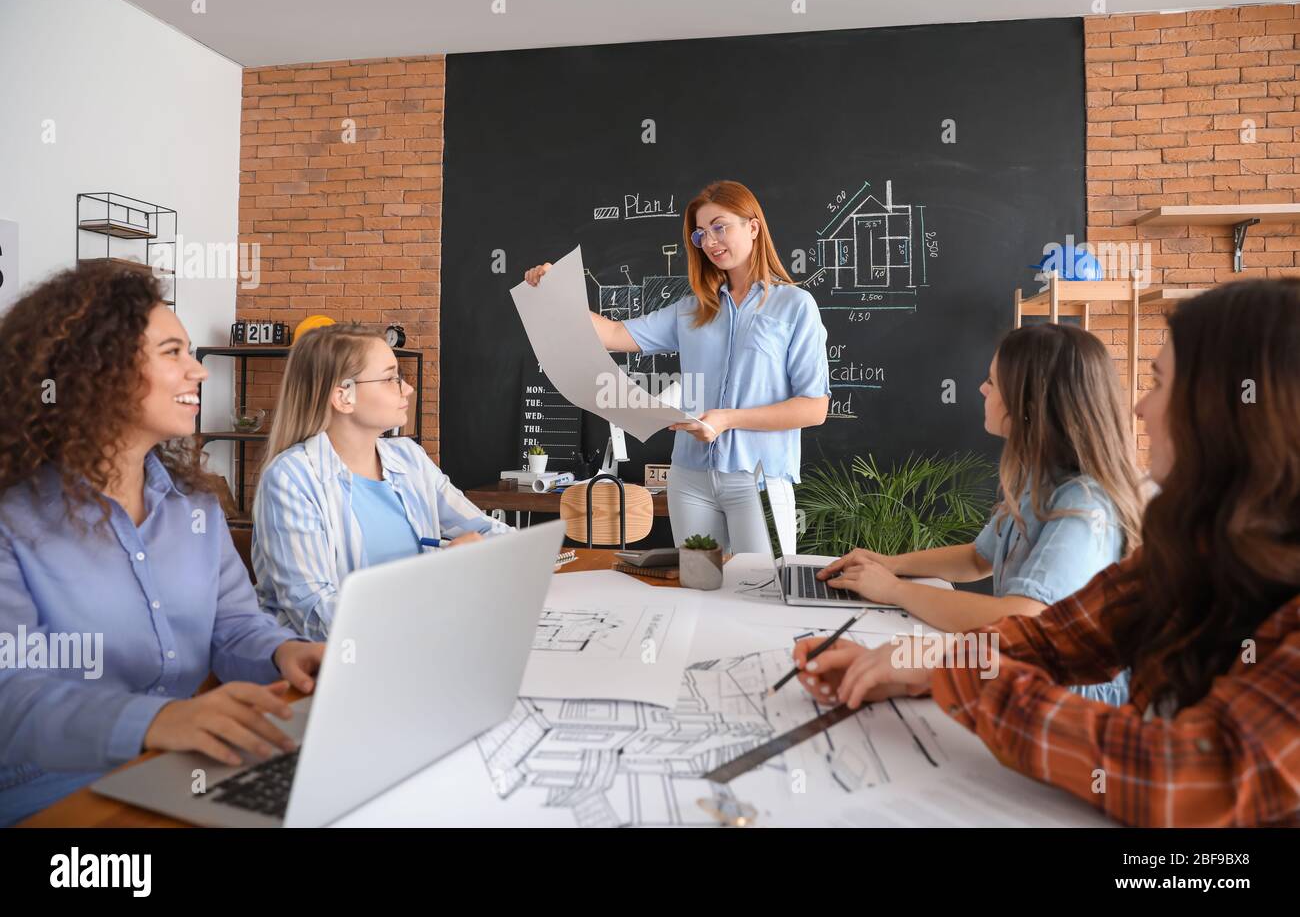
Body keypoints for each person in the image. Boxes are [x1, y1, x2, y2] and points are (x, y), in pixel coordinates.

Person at [791, 278, 1300, 826]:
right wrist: (919, 663)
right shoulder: (1192, 550)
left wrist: (949, 668)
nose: (1138, 406)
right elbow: (1055, 638)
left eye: (1158, 382)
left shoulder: (1086, 502)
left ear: (1235, 413)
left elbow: (1184, 777)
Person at [0, 263, 322, 826]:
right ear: (92, 370)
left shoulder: (192, 506)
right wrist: (156, 721)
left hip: (178, 769)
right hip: (49, 799)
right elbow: (11, 696)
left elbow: (235, 625)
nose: (198, 370)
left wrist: (284, 654)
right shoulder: (14, 519)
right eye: (172, 352)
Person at [816, 323, 1144, 704]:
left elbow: (1022, 620)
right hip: (1024, 671)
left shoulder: (1082, 505)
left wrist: (894, 590)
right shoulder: (1038, 477)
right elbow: (977, 559)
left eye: (992, 382)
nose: (982, 390)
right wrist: (891, 563)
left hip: (1074, 704)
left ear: (1028, 408)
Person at [524, 180, 829, 554]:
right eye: (701, 234)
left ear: (753, 226)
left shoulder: (795, 307)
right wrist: (555, 293)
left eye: (720, 226)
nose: (711, 241)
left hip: (758, 479)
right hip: (690, 479)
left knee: (759, 594)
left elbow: (814, 408)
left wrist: (727, 420)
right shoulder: (692, 308)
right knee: (697, 589)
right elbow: (616, 334)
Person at [253, 323, 510, 640]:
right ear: (343, 396)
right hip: (328, 669)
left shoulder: (408, 457)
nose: (408, 389)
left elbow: (493, 533)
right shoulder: (291, 479)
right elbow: (317, 616)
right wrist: (440, 580)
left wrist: (481, 554)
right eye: (391, 378)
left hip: (419, 643)